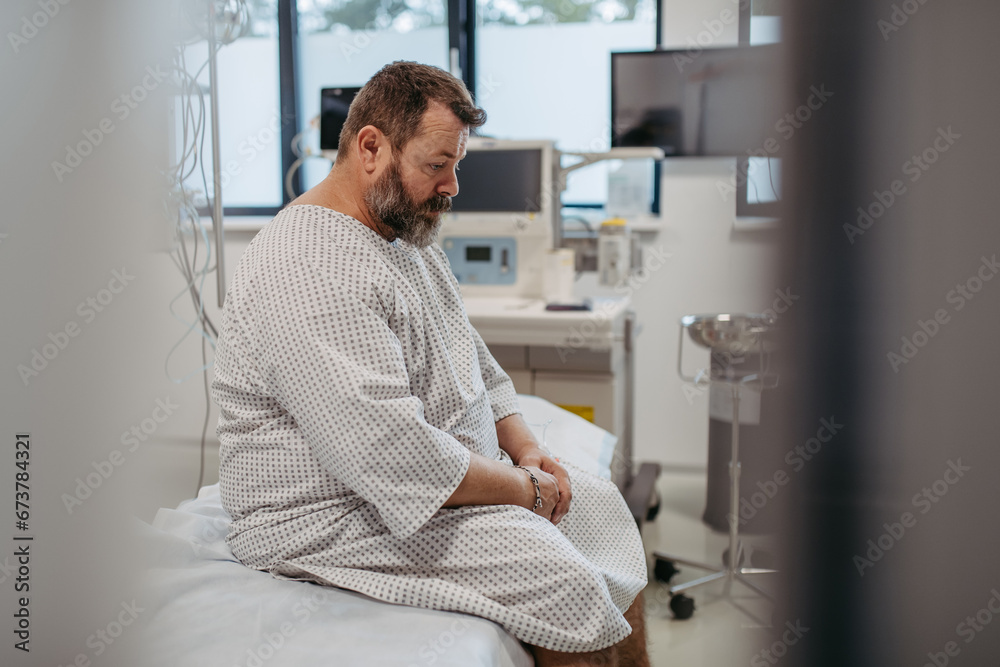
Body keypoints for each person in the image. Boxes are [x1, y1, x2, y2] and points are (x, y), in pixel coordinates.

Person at [212, 61, 649, 667]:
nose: (453, 186)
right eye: (437, 165)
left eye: (456, 166)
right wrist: (523, 492)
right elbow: (390, 455)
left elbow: (468, 352)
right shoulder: (305, 264)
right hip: (333, 513)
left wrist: (523, 446)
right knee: (565, 584)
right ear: (371, 147)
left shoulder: (400, 237)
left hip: (428, 484)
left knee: (602, 510)